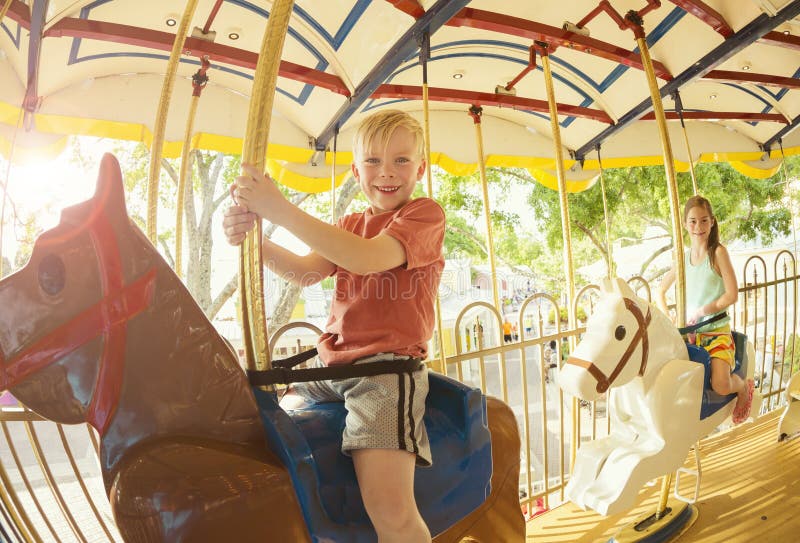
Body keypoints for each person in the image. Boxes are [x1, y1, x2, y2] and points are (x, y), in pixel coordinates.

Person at [222, 109, 443, 542]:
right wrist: (254, 241)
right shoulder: (349, 224)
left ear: (421, 167)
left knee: (390, 510)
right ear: (355, 170)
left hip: (384, 374)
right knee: (262, 417)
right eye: (373, 161)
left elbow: (366, 258)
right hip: (333, 369)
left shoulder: (424, 215)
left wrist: (279, 209)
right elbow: (305, 272)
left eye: (401, 160)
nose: (386, 172)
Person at [656, 195, 754, 424]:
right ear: (684, 224)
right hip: (691, 334)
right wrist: (668, 315)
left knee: (720, 384)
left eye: (703, 220)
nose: (698, 227)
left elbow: (732, 294)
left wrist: (702, 310)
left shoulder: (718, 253)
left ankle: (742, 388)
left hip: (716, 333)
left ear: (712, 222)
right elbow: (660, 290)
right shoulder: (683, 259)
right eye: (692, 221)